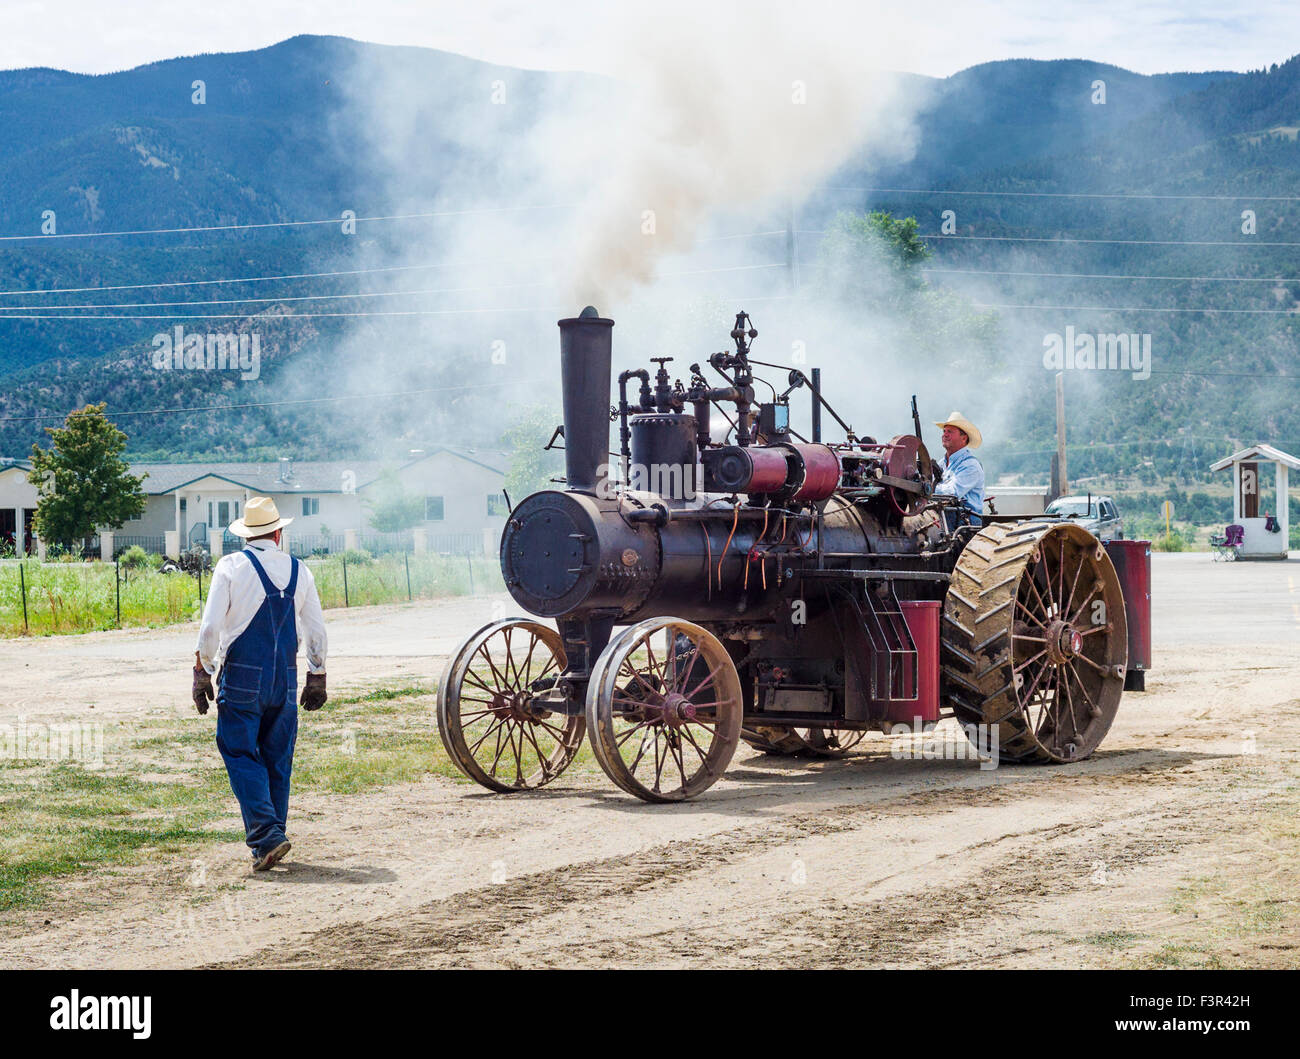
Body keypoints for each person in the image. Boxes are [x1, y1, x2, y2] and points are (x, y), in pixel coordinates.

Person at [191, 496, 328, 871]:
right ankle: (271, 840)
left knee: (238, 751)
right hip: (284, 676)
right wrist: (317, 674)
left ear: (246, 536)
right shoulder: (300, 571)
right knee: (277, 757)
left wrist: (202, 669)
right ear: (279, 532)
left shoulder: (231, 566)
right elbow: (315, 628)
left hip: (243, 676)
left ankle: (267, 835)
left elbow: (211, 626)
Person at [932, 411, 985, 528]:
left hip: (966, 524)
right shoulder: (942, 464)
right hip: (946, 518)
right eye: (944, 431)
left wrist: (928, 488)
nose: (945, 435)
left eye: (950, 432)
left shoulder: (971, 465)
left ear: (963, 438)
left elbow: (952, 493)